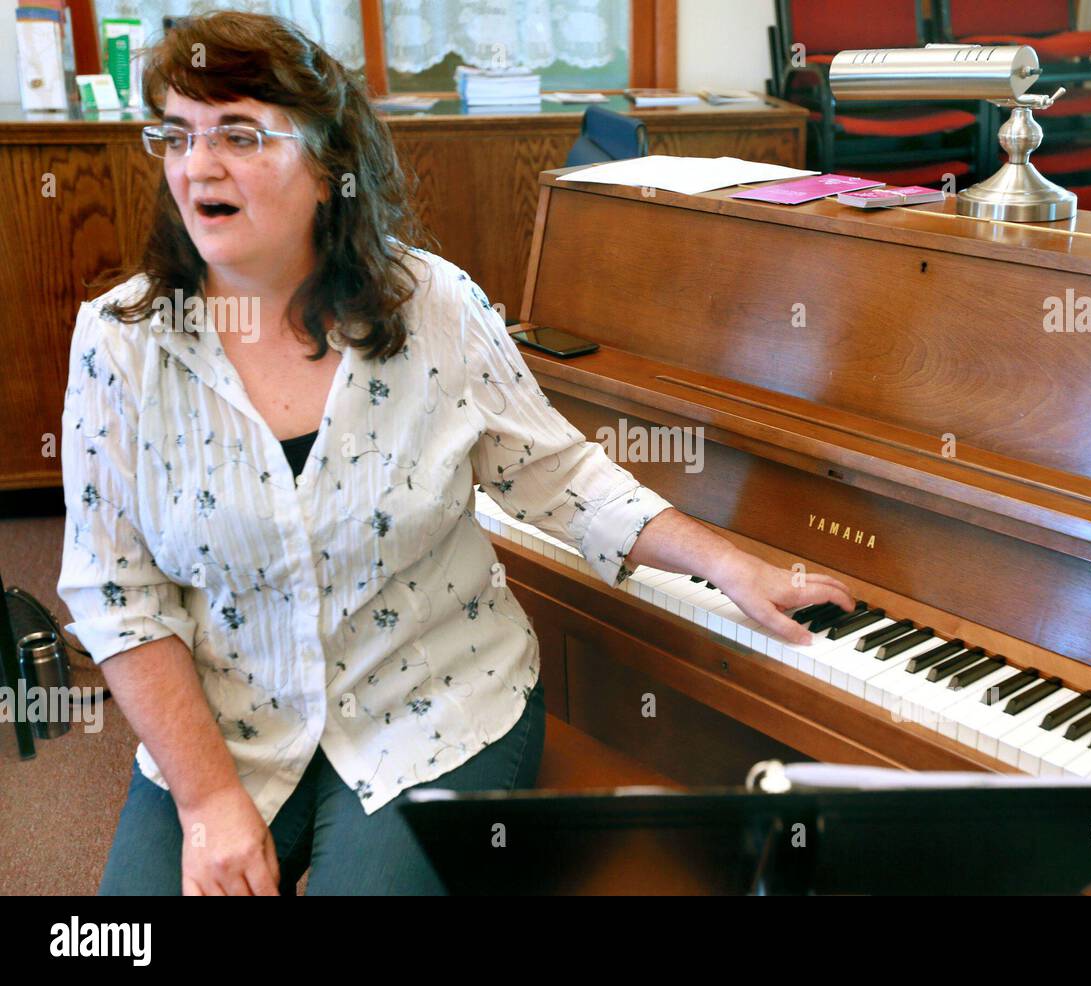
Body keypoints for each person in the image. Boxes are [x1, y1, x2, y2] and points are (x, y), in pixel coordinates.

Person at [56, 10, 855, 896]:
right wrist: (208, 803)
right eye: (176, 135)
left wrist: (730, 565)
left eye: (239, 135)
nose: (197, 166)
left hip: (432, 710)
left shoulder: (434, 303)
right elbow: (116, 595)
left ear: (326, 167)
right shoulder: (119, 343)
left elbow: (556, 473)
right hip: (226, 727)